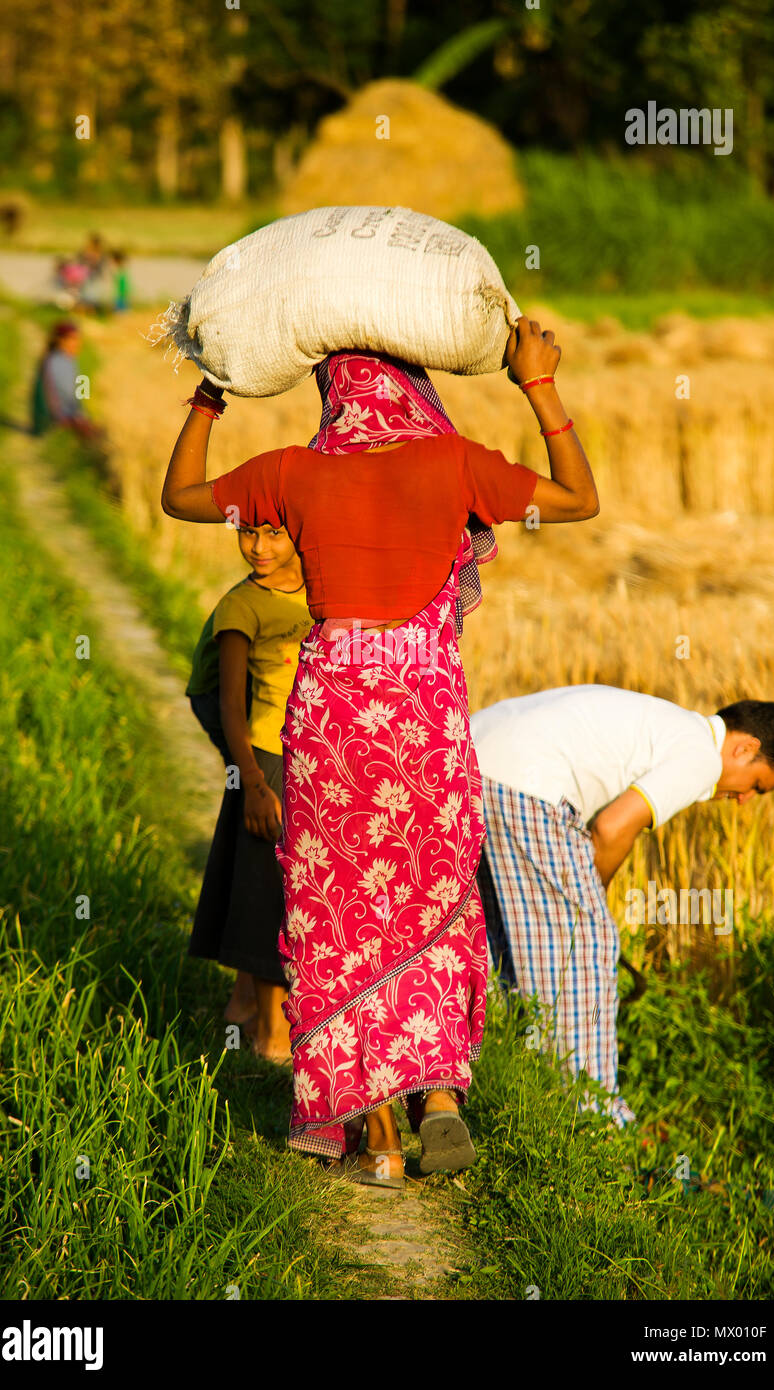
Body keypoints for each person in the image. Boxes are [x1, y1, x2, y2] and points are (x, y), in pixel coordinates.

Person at [161, 318, 600, 1189]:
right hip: (424, 715)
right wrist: (537, 384)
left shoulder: (292, 471)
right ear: (414, 388)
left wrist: (211, 392)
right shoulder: (454, 462)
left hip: (332, 717)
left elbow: (180, 496)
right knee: (433, 905)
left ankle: (383, 1138)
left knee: (342, 915)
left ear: (334, 392)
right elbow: (577, 498)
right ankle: (439, 1096)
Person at [472, 686, 774, 1126]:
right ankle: (590, 1119)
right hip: (526, 786)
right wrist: (593, 903)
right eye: (757, 786)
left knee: (495, 938)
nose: (744, 800)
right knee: (586, 948)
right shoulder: (700, 755)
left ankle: (488, 1082)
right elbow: (612, 829)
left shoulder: (671, 726)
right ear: (745, 747)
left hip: (468, 760)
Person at [186, 524, 312, 1062]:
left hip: (313, 751)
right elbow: (231, 706)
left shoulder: (323, 588)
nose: (258, 548)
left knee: (284, 880)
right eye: (246, 533)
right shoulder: (241, 606)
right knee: (267, 887)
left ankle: (242, 1002)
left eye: (273, 535)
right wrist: (254, 782)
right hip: (265, 752)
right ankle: (269, 1037)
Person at [31, 321, 103, 442]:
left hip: (64, 416)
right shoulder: (56, 361)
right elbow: (54, 398)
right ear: (61, 340)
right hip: (54, 421)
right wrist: (73, 419)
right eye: (73, 339)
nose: (78, 343)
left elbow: (78, 393)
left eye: (79, 339)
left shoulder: (69, 361)